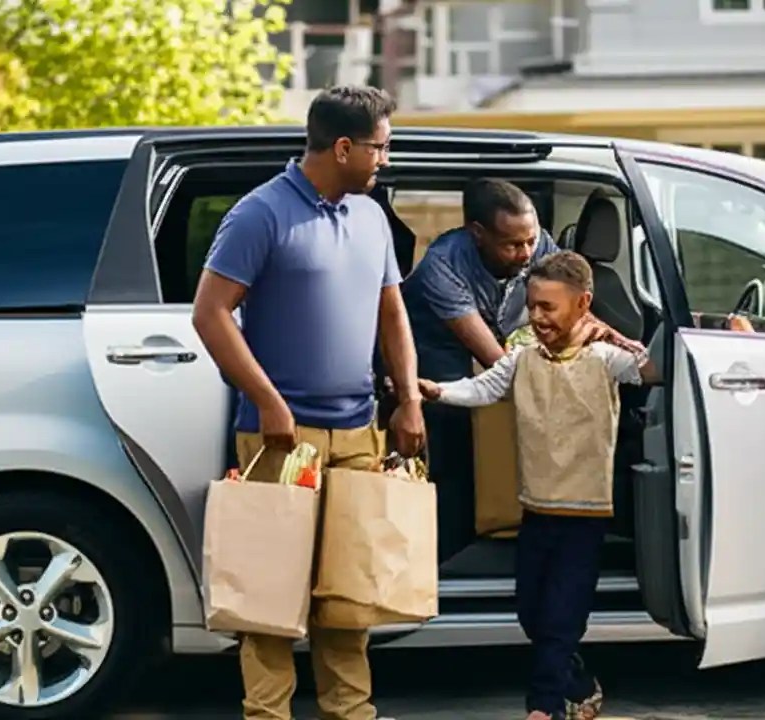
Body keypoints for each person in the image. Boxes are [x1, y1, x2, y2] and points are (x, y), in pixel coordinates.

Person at [191, 85, 425, 720]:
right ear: (344, 146)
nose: (385, 159)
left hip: (358, 434)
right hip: (278, 440)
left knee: (349, 600)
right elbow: (210, 314)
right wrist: (266, 401)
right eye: (380, 147)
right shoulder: (259, 214)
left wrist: (408, 400)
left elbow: (391, 312)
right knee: (268, 600)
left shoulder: (373, 217)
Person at [418, 251, 661, 720]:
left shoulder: (605, 358)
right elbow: (484, 389)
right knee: (533, 613)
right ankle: (581, 685)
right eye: (532, 306)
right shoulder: (522, 358)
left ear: (582, 303)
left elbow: (651, 370)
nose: (537, 316)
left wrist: (637, 335)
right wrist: (439, 391)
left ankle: (544, 707)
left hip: (585, 513)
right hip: (536, 509)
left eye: (549, 307)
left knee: (561, 619)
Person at [402, 179, 642, 561]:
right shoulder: (442, 265)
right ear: (478, 234)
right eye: (513, 245)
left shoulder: (537, 244)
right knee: (452, 430)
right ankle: (445, 555)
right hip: (437, 345)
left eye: (531, 241)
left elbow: (573, 310)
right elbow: (499, 362)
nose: (527, 252)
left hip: (499, 334)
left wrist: (617, 343)